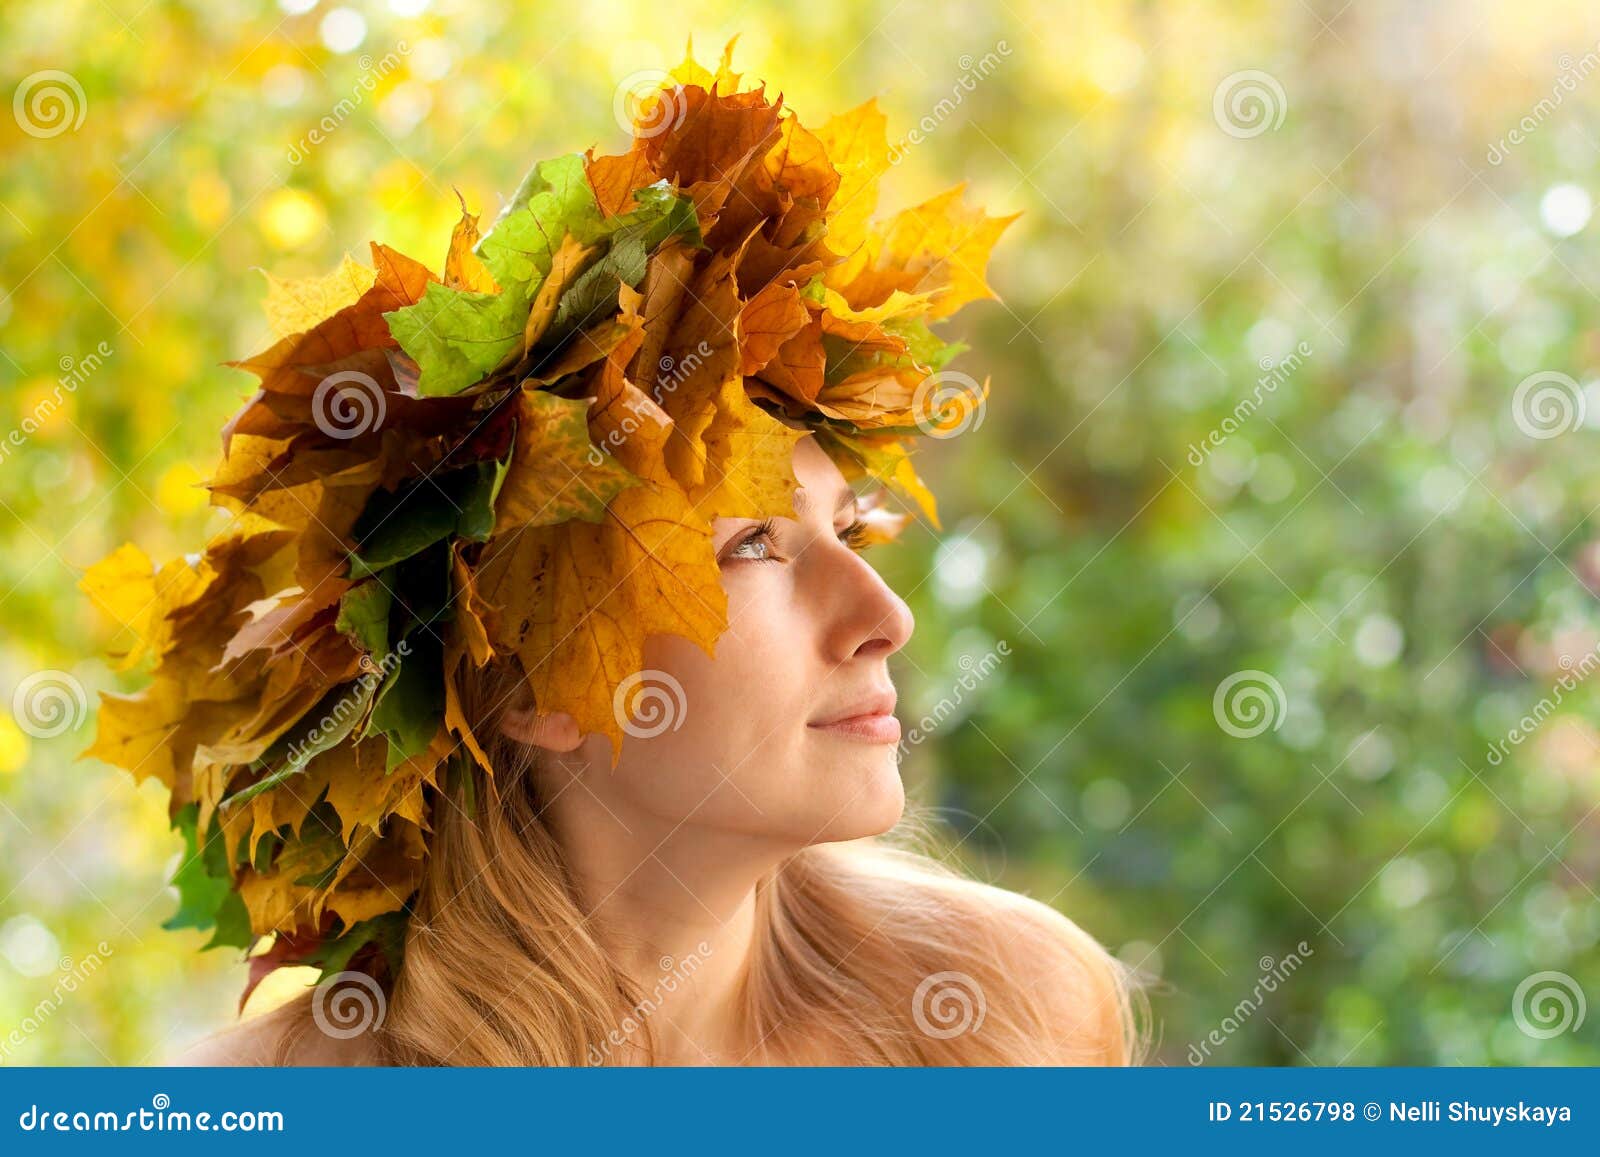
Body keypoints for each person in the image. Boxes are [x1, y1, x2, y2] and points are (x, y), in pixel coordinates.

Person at [171, 435, 1146, 1066]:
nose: (884, 614)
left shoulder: (1006, 1017)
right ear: (537, 682)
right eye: (754, 545)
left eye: (846, 527)